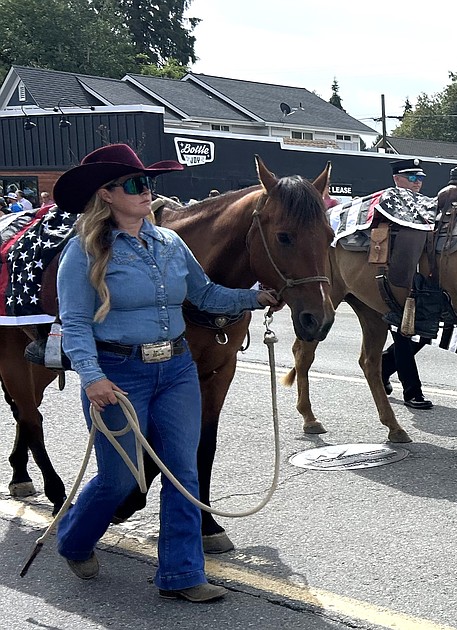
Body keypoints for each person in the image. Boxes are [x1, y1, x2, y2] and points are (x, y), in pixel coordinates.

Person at [55, 144, 278, 602]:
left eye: (148, 183)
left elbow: (206, 294)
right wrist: (91, 376)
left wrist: (255, 299)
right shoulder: (83, 252)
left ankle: (181, 575)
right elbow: (75, 322)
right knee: (119, 479)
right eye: (136, 184)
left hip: (176, 370)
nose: (146, 191)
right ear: (107, 194)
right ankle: (74, 539)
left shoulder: (169, 242)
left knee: (183, 472)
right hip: (117, 374)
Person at [379, 159, 436, 410]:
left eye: (420, 178)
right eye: (412, 178)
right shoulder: (388, 201)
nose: (418, 183)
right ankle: (412, 391)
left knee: (423, 335)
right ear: (397, 178)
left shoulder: (424, 206)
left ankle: (382, 367)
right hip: (390, 282)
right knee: (403, 336)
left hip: (420, 284)